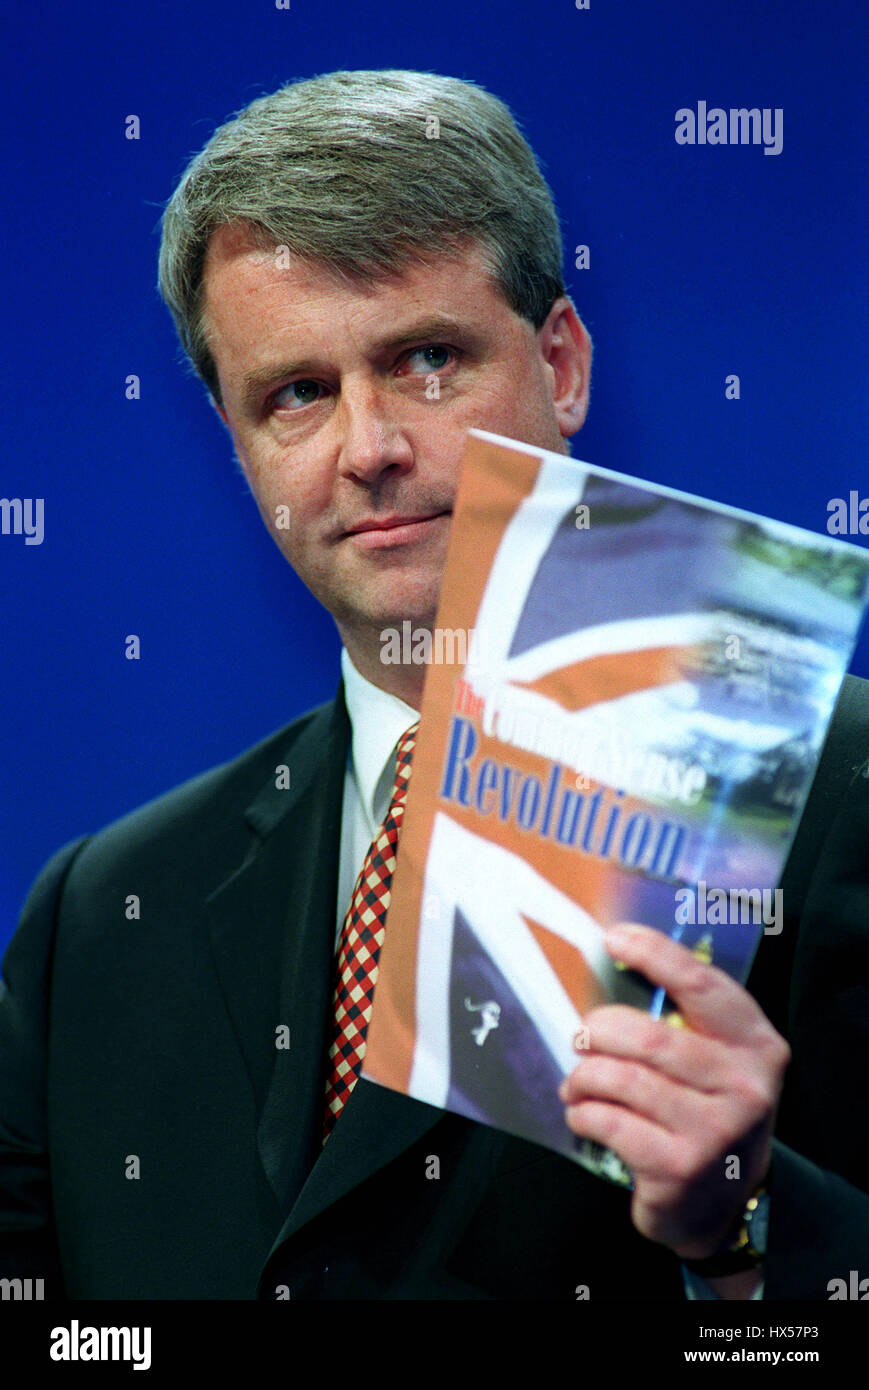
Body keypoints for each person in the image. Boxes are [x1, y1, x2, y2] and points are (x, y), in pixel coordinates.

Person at [1, 69, 868, 1303]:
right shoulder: (99, 914)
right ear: (239, 446)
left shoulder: (832, 785)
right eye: (295, 394)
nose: (366, 449)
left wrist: (749, 1231)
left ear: (559, 366)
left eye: (424, 360)